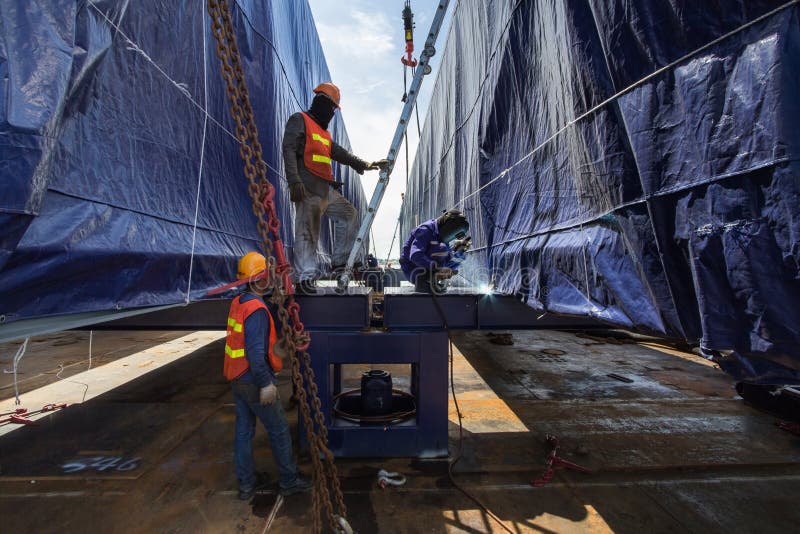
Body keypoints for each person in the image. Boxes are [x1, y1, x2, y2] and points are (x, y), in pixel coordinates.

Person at [282, 82, 387, 294]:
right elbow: (289, 149)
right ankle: (304, 279)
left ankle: (340, 262)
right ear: (322, 103)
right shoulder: (299, 120)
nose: (331, 113)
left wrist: (365, 164)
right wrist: (294, 181)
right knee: (307, 232)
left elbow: (339, 153)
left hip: (325, 188)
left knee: (349, 214)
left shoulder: (323, 133)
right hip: (308, 187)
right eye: (331, 108)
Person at [224, 252, 312, 500]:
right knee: (279, 429)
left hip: (237, 378)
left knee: (244, 431)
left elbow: (259, 347)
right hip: (253, 380)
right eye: (268, 275)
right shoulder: (258, 310)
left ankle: (246, 484)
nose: (272, 279)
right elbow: (255, 353)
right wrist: (265, 384)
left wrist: (286, 344)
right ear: (260, 279)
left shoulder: (239, 302)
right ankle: (289, 480)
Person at [399, 209, 471, 293]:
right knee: (442, 248)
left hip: (429, 267)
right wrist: (438, 268)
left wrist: (459, 252)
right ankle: (424, 282)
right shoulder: (426, 229)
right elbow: (415, 255)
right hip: (412, 268)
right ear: (447, 223)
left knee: (450, 255)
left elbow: (447, 264)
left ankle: (433, 280)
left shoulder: (442, 239)